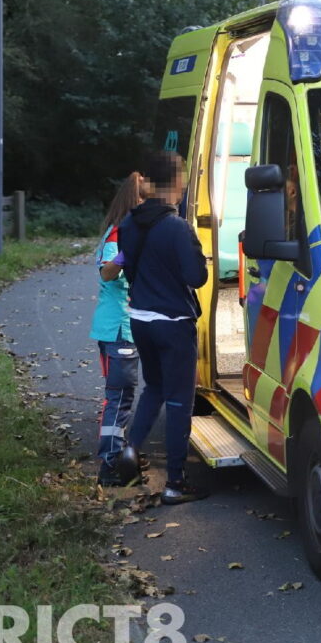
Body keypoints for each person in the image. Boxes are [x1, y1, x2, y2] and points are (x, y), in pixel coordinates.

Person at [111, 151, 209, 504]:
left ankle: (130, 449)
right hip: (173, 323)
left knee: (154, 387)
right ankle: (175, 484)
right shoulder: (177, 227)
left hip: (140, 319)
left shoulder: (127, 224)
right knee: (180, 402)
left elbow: (130, 268)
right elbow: (196, 277)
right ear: (179, 183)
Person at [91, 172, 145, 486]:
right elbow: (108, 273)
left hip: (122, 329)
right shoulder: (117, 236)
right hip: (118, 331)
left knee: (121, 396)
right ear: (134, 200)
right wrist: (127, 255)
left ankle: (116, 454)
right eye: (145, 197)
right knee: (119, 397)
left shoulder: (124, 231)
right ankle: (110, 466)